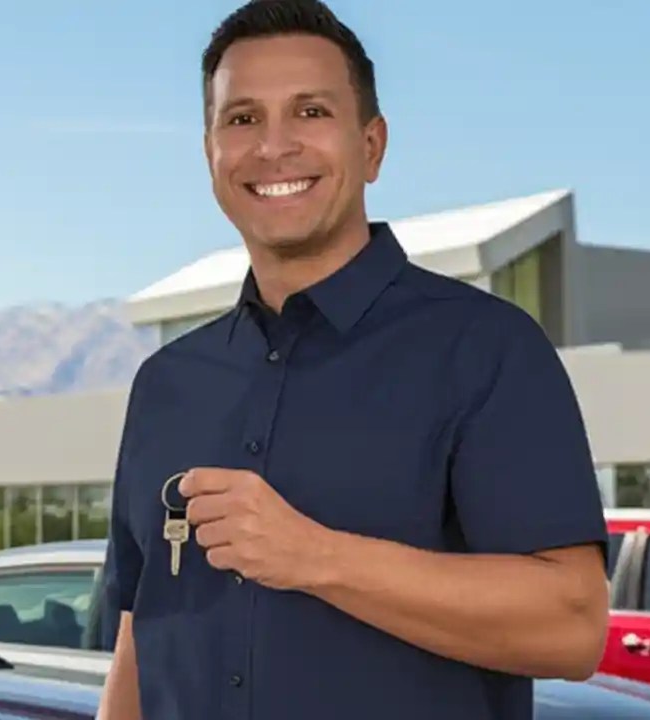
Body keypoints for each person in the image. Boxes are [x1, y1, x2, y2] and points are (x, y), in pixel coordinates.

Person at [94, 1, 611, 719]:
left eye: (310, 112)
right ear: (210, 150)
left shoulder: (485, 350)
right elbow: (139, 642)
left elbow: (572, 627)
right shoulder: (166, 385)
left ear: (372, 146)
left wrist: (313, 557)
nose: (274, 147)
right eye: (242, 119)